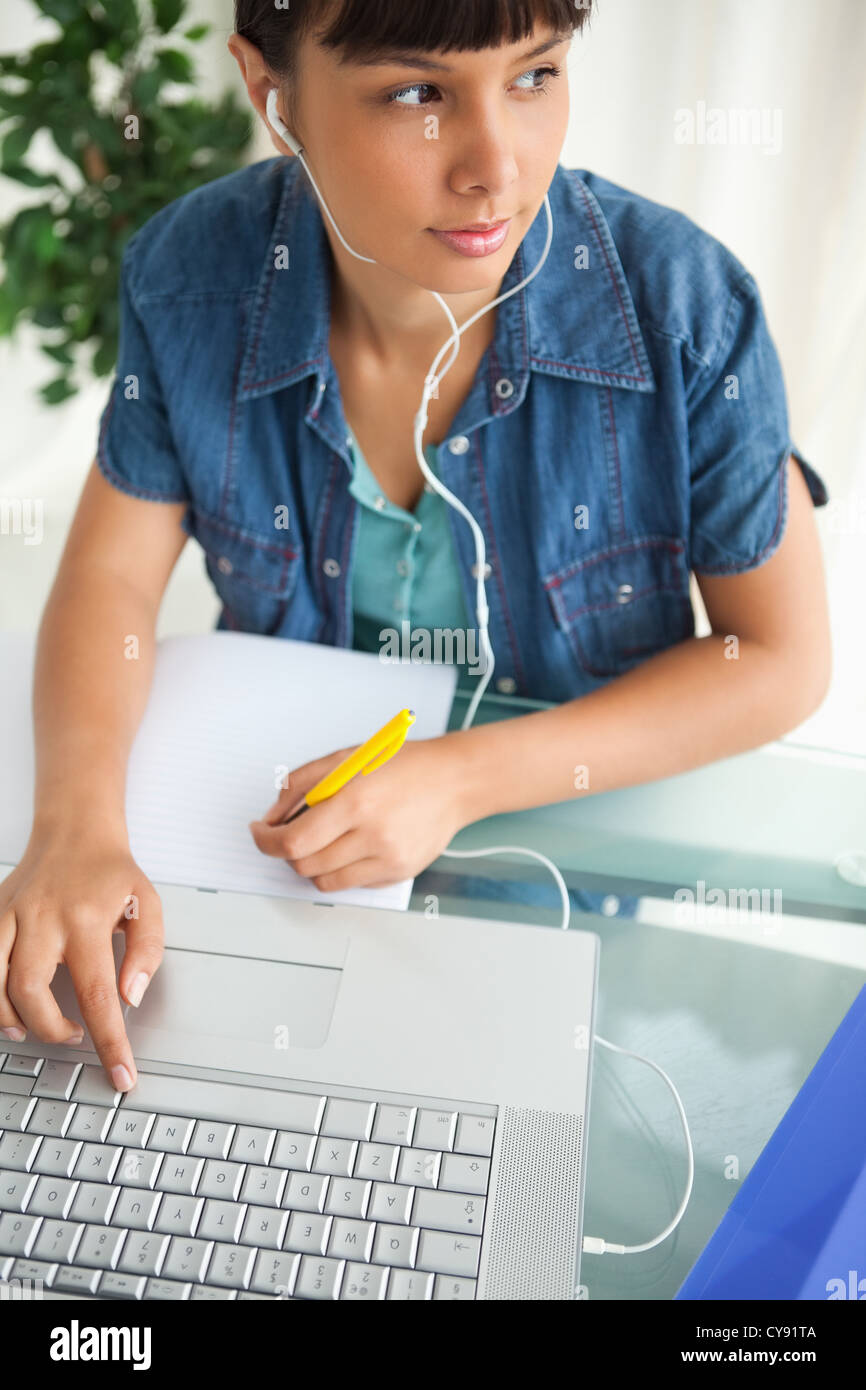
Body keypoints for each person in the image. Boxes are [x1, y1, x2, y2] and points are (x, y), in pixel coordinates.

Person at [0, 0, 832, 1092]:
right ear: (270, 92)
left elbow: (776, 660)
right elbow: (110, 576)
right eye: (416, 94)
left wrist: (457, 778)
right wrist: (70, 827)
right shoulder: (190, 280)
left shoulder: (683, 308)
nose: (498, 167)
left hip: (578, 864)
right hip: (298, 879)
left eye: (534, 75)